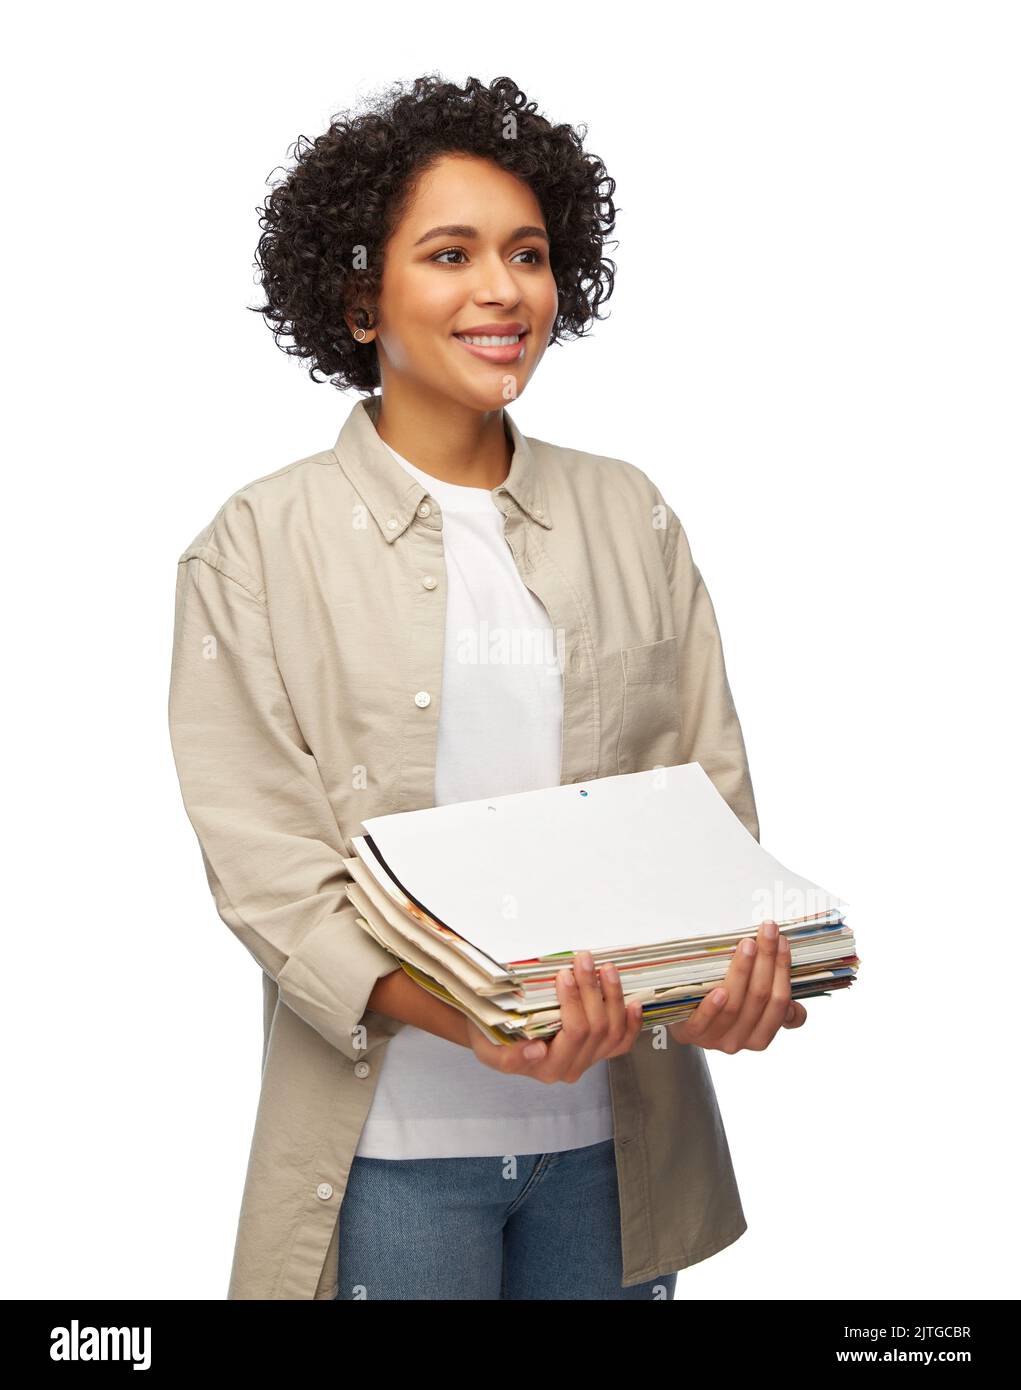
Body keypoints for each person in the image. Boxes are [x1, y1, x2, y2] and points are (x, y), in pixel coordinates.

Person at [168, 73, 807, 1302]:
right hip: (391, 1164)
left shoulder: (632, 515)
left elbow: (704, 809)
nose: (502, 289)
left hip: (612, 1164)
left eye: (527, 251)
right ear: (361, 297)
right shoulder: (255, 545)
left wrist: (721, 983)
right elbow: (266, 874)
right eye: (449, 253)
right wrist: (478, 1024)